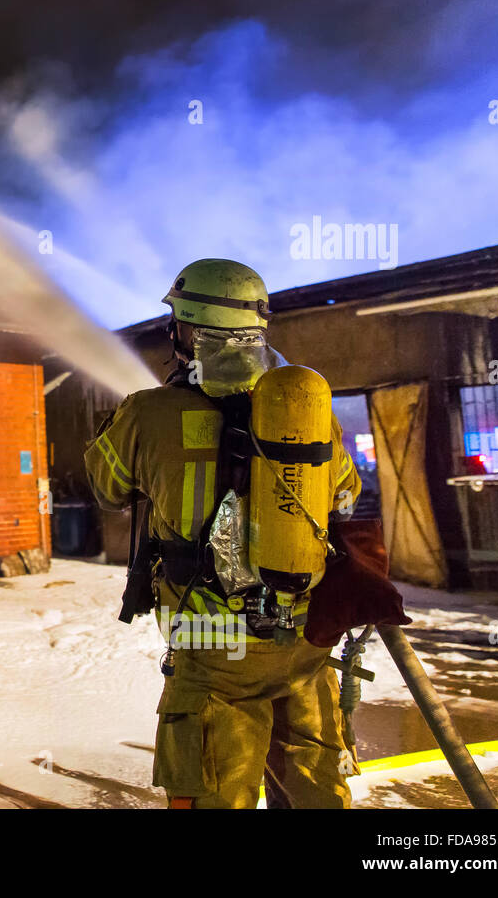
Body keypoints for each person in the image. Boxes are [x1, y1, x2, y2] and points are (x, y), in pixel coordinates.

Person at [85, 258, 362, 809]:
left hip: (213, 648)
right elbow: (345, 500)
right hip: (304, 641)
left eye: (176, 324)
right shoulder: (308, 412)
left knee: (212, 794)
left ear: (186, 331)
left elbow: (108, 490)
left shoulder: (146, 412)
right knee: (315, 795)